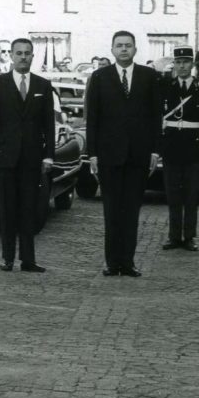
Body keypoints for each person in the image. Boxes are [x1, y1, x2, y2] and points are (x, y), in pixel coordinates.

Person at [84, 31, 161, 277]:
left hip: (138, 155)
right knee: (111, 210)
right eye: (119, 45)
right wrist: (92, 154)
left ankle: (127, 262)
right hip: (109, 156)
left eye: (128, 45)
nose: (124, 49)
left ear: (135, 49)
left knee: (131, 210)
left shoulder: (149, 76)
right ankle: (111, 262)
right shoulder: (100, 77)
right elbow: (92, 118)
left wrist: (155, 151)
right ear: (112, 50)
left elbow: (156, 116)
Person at [0, 38, 54, 273]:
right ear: (11, 56)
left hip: (32, 158)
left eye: (27, 53)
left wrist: (48, 156)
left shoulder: (43, 85)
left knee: (29, 209)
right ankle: (8, 258)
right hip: (5, 158)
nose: (23, 57)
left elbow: (48, 124)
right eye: (19, 53)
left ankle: (28, 260)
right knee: (7, 209)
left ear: (33, 56)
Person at [159, 46, 199, 251]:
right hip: (171, 145)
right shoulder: (166, 85)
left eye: (185, 62)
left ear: (192, 64)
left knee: (192, 194)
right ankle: (174, 236)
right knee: (172, 194)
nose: (182, 66)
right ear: (174, 64)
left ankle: (190, 237)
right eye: (178, 62)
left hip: (193, 146)